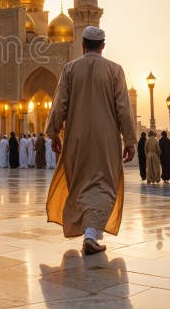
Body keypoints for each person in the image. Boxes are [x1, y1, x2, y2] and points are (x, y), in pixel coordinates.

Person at [45, 26, 135, 255]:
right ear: (103, 46)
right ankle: (91, 233)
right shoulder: (115, 70)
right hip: (106, 141)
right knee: (105, 185)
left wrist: (53, 132)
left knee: (81, 183)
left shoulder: (69, 69)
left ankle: (89, 231)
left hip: (76, 139)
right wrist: (130, 140)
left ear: (82, 45)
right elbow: (124, 108)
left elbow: (59, 105)